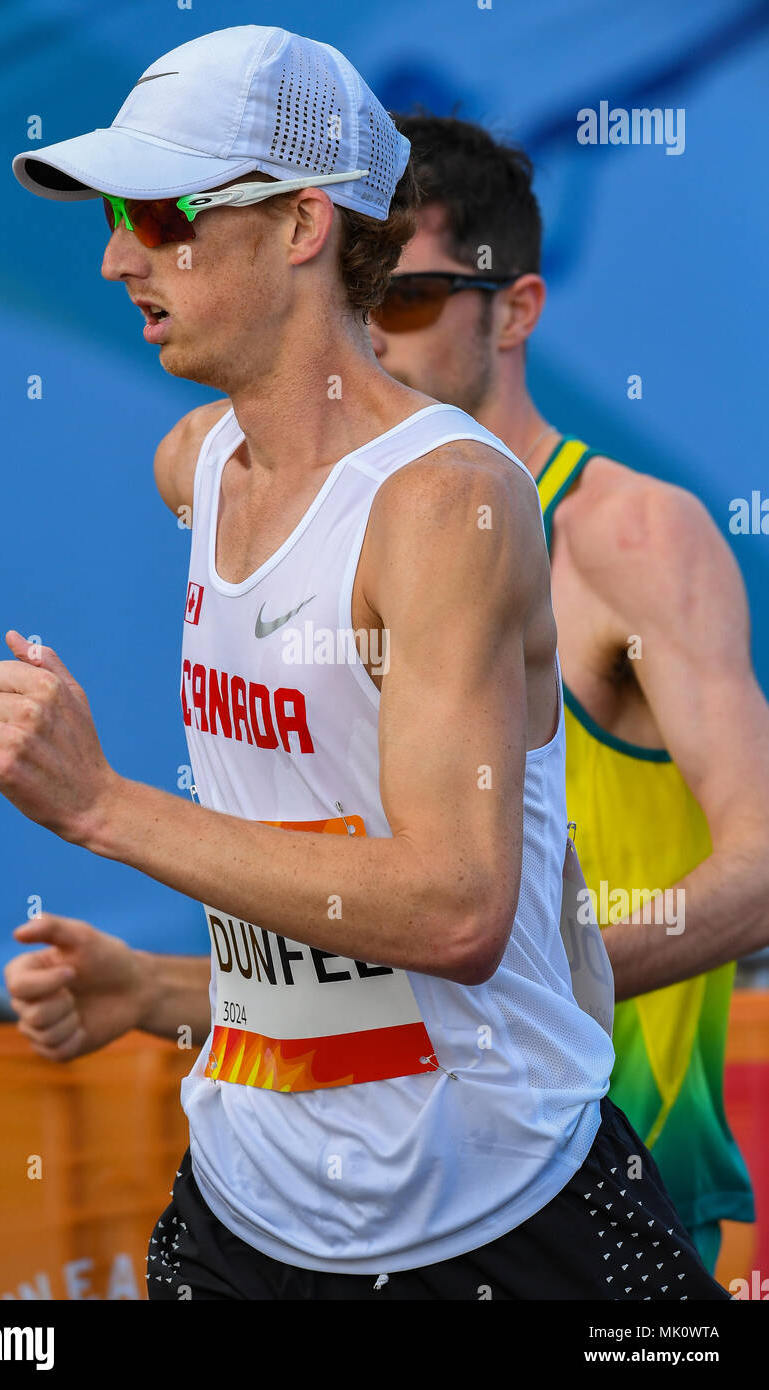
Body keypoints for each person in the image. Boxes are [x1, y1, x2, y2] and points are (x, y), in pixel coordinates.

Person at [0, 26, 728, 1299]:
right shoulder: (197, 465)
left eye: (162, 213)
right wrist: (165, 984)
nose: (115, 258)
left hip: (495, 1217)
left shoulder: (448, 505)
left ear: (301, 225)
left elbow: (451, 908)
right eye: (114, 215)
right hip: (245, 1207)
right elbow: (321, 900)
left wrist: (104, 808)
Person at [363, 112, 768, 1273]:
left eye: (403, 297)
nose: (368, 337)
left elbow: (757, 861)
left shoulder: (630, 533)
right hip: (377, 1185)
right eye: (349, 300)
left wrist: (552, 976)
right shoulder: (332, 539)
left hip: (605, 1186)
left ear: (517, 309)